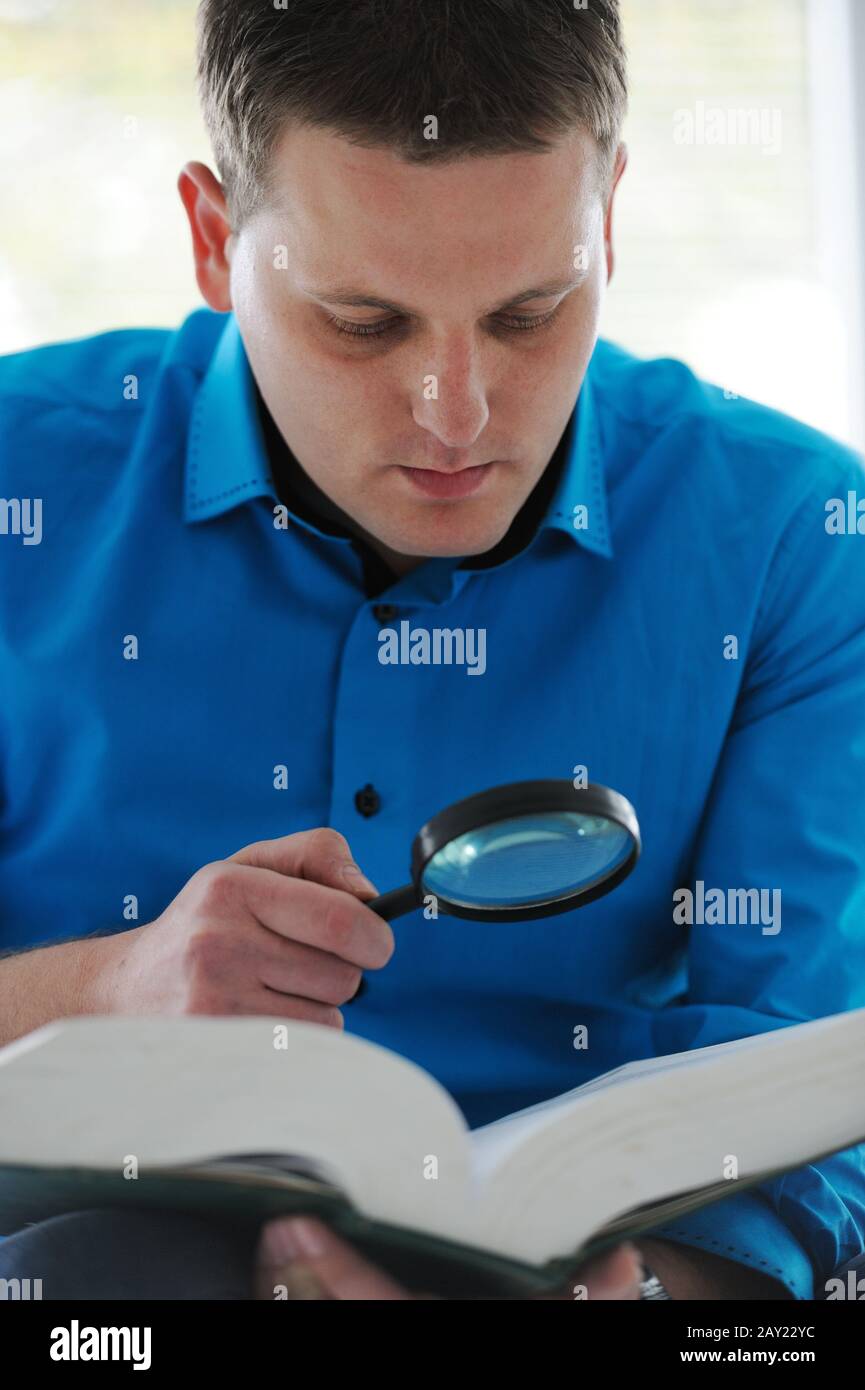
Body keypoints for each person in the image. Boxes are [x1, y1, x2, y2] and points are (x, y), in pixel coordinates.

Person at [1, 0, 863, 1302]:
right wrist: (106, 987)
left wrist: (652, 1299)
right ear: (212, 236)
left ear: (610, 213)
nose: (455, 417)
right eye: (364, 323)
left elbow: (815, 1080)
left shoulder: (794, 540)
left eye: (530, 313)